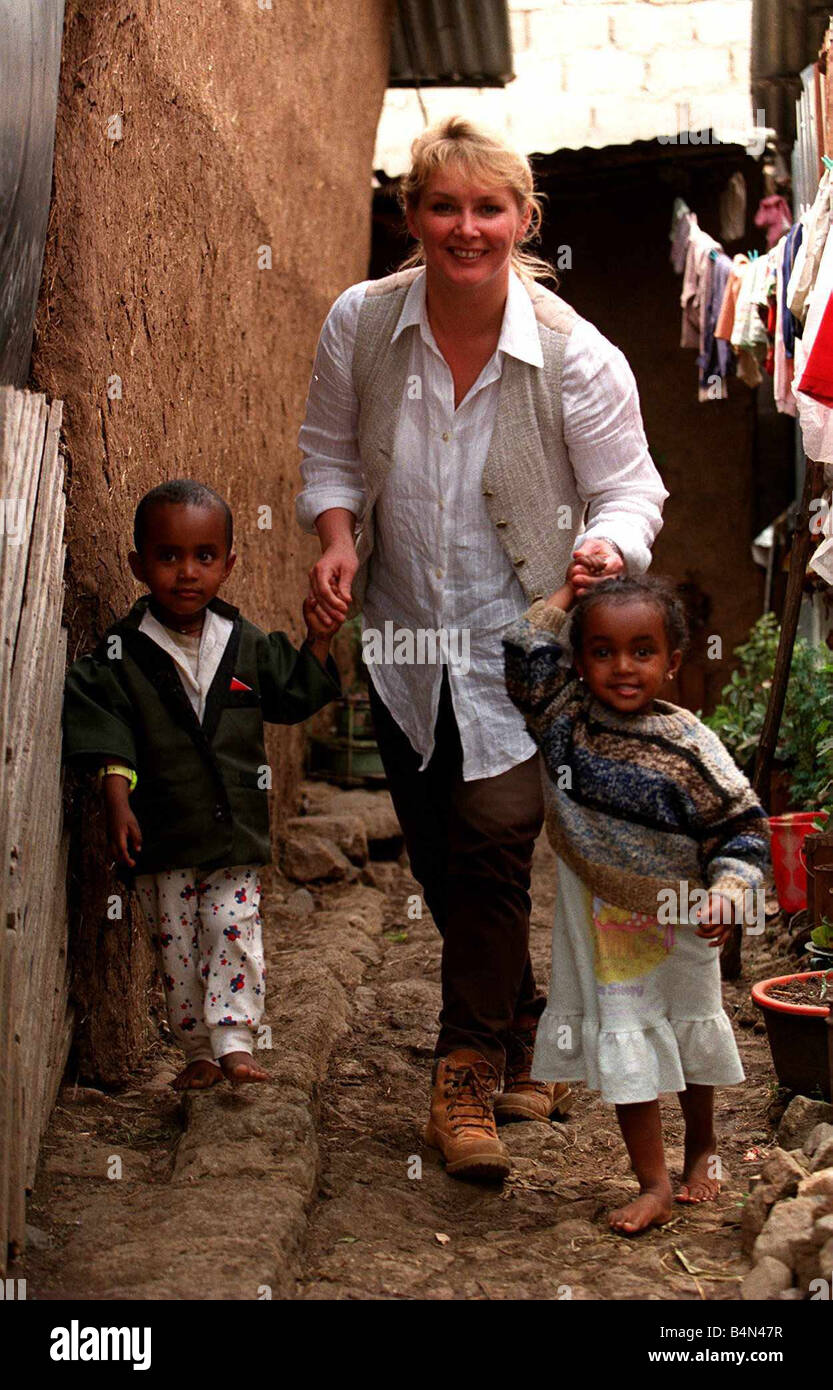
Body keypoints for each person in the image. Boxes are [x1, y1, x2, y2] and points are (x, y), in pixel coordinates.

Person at [296, 116, 668, 1181]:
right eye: (443, 206)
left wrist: (603, 543)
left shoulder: (572, 352)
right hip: (406, 645)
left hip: (525, 648)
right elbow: (327, 453)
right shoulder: (360, 326)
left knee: (496, 840)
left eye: (488, 208)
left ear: (522, 220)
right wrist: (334, 540)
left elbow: (629, 487)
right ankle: (524, 1028)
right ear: (410, 215)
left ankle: (460, 1082)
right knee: (443, 855)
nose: (466, 227)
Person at [502, 575, 769, 1233]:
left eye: (642, 651)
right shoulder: (563, 717)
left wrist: (727, 895)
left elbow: (741, 829)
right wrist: (566, 593)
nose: (622, 666)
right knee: (627, 1035)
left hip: (680, 912)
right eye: (601, 651)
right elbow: (521, 651)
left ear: (671, 662)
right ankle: (650, 1182)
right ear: (577, 658)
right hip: (602, 916)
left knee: (689, 1020)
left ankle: (701, 1145)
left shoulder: (688, 746)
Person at [63, 480, 342, 1090]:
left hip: (234, 831)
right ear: (138, 563)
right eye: (168, 557)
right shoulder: (120, 652)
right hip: (162, 830)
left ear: (228, 564)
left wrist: (318, 640)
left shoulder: (246, 645)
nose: (187, 573)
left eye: (204, 557)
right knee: (178, 948)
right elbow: (106, 723)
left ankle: (236, 1043)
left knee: (232, 931)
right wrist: (117, 796)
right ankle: (196, 1050)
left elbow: (295, 694)